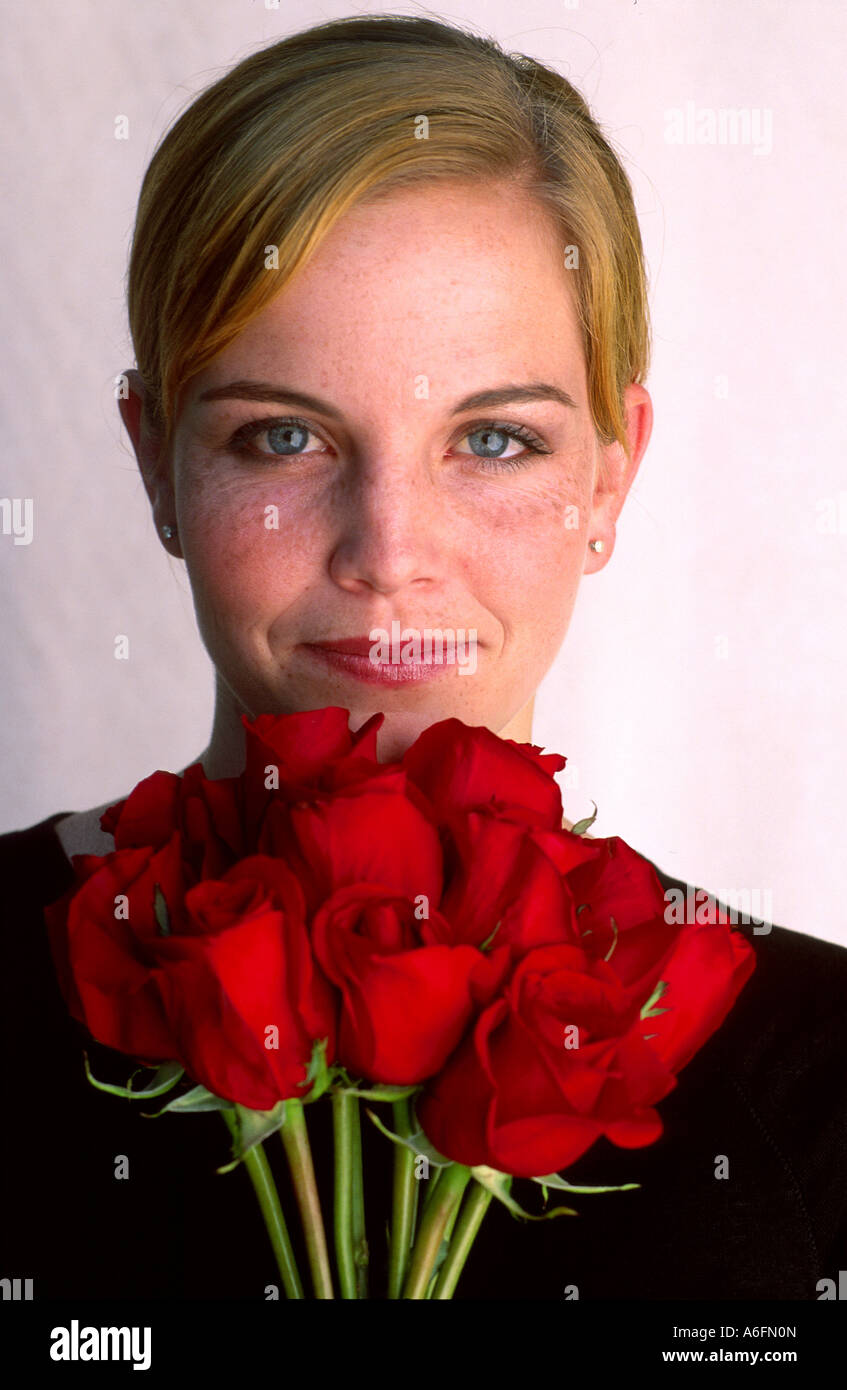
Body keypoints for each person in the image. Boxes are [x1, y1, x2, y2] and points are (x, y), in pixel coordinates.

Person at [2, 13, 845, 1303]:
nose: (389, 553)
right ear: (152, 456)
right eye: (282, 438)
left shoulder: (822, 1075)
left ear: (612, 475)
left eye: (496, 440)